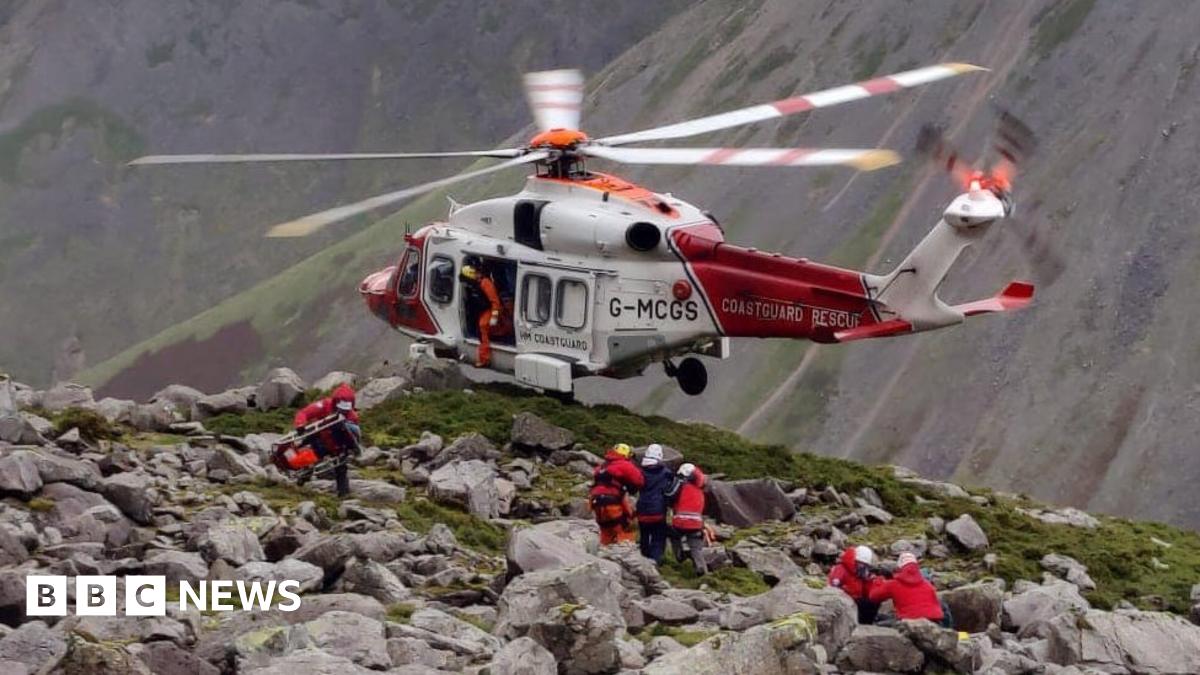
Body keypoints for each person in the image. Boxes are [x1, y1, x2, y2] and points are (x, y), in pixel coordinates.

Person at [292, 384, 361, 497]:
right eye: (340, 408)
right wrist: (300, 424)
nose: (342, 411)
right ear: (335, 403)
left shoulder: (352, 417)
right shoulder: (324, 405)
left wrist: (351, 449)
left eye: (345, 409)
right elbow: (304, 413)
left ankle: (344, 495)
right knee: (307, 461)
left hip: (339, 446)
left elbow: (353, 436)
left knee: (341, 470)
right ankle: (299, 481)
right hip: (321, 439)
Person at [868, 552, 948, 626]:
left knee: (877, 624)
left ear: (899, 568)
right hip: (934, 622)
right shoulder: (927, 584)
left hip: (909, 622)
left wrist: (877, 579)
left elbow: (873, 596)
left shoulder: (894, 584)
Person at [589, 443, 644, 545]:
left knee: (606, 527)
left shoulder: (602, 466)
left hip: (596, 502)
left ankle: (604, 548)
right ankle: (624, 549)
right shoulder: (624, 464)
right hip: (612, 501)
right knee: (625, 525)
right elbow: (639, 480)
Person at [667, 462, 708, 576]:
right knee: (696, 548)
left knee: (673, 536)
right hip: (696, 524)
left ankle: (679, 557)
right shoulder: (700, 491)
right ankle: (701, 569)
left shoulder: (681, 487)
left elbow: (670, 498)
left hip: (680, 522)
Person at [636, 444, 673, 564]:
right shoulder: (666, 473)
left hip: (642, 509)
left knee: (644, 536)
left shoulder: (640, 472)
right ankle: (655, 561)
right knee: (658, 537)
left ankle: (644, 560)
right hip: (658, 510)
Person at [829, 545, 883, 624]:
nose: (863, 567)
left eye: (865, 565)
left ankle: (867, 623)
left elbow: (866, 592)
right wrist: (845, 591)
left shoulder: (859, 573)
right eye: (861, 564)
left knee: (874, 601)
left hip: (855, 600)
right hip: (844, 601)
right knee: (866, 604)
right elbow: (834, 586)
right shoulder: (841, 568)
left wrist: (869, 580)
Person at [461, 263, 502, 368]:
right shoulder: (474, 284)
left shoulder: (485, 283)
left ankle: (484, 359)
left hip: (491, 309)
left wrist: (494, 316)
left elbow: (495, 302)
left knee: (483, 326)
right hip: (482, 309)